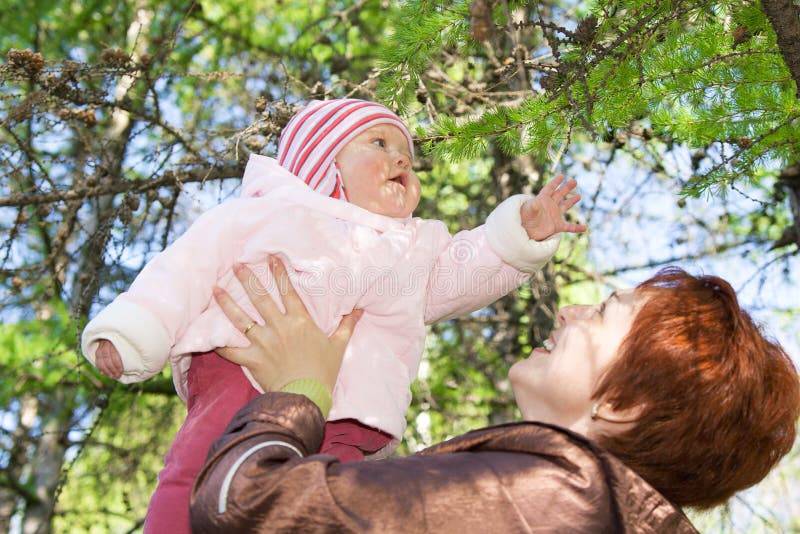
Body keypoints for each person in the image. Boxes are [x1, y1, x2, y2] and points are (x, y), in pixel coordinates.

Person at [80, 98, 587, 532]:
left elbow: (456, 275)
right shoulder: (263, 214)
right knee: (199, 471)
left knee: (333, 502)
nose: (401, 161)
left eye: (408, 156)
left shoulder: (411, 245)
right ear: (322, 158)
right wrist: (132, 332)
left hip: (353, 413)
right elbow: (184, 270)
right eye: (379, 145)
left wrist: (520, 236)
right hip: (240, 372)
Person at [189, 260, 800, 532]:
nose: (571, 308)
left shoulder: (552, 502)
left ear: (623, 404)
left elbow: (242, 506)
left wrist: (301, 390)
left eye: (608, 311)